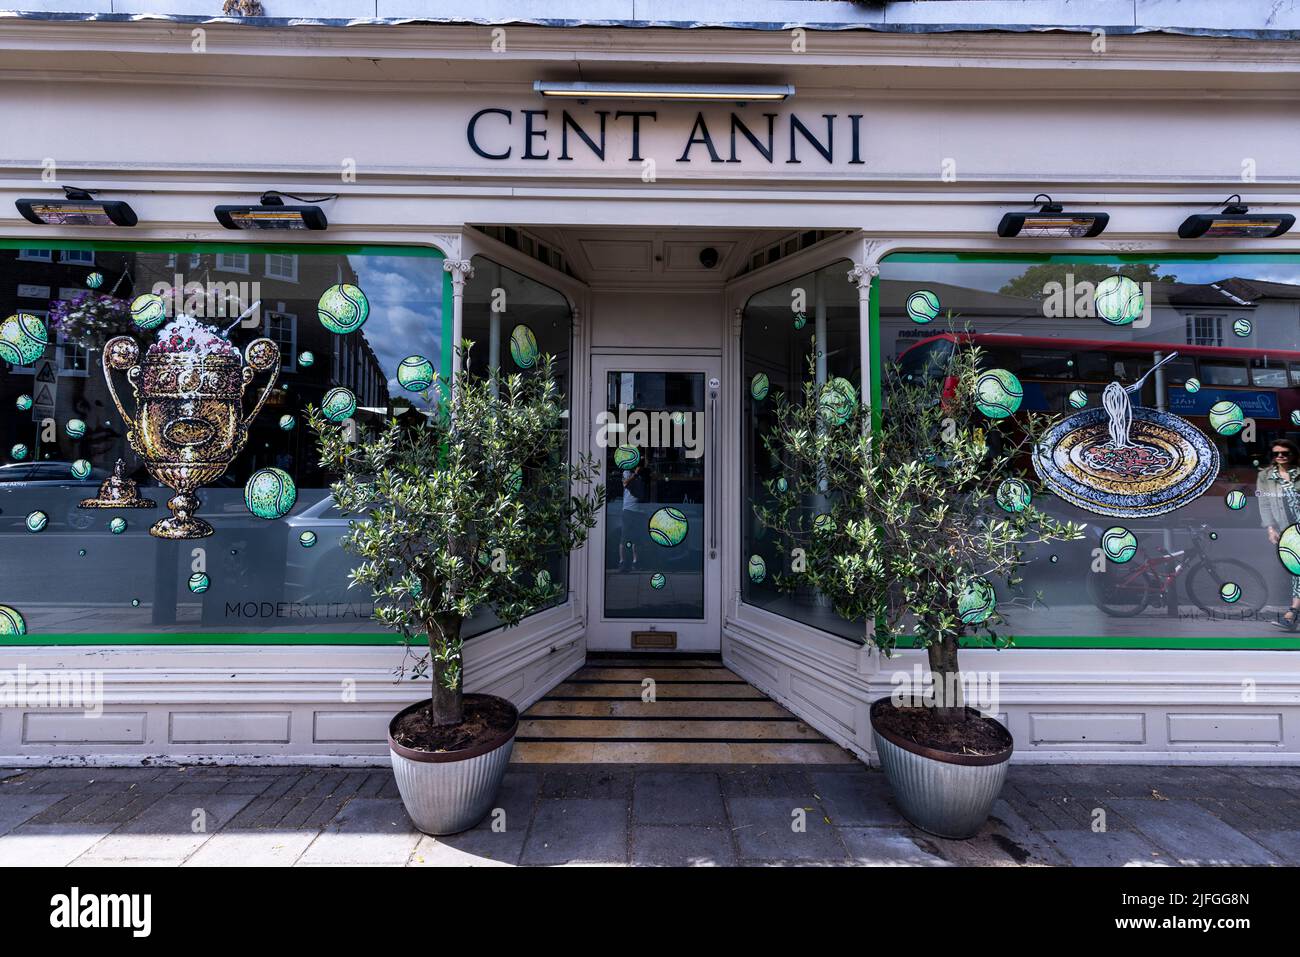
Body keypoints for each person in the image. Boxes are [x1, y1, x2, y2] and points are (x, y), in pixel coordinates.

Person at [1258, 437, 1300, 630]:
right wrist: (1270, 528)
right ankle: (1292, 614)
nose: (1281, 456)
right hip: (1288, 530)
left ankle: (1292, 613)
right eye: (1277, 454)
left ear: (1292, 454)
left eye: (1285, 453)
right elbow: (1264, 504)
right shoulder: (1265, 476)